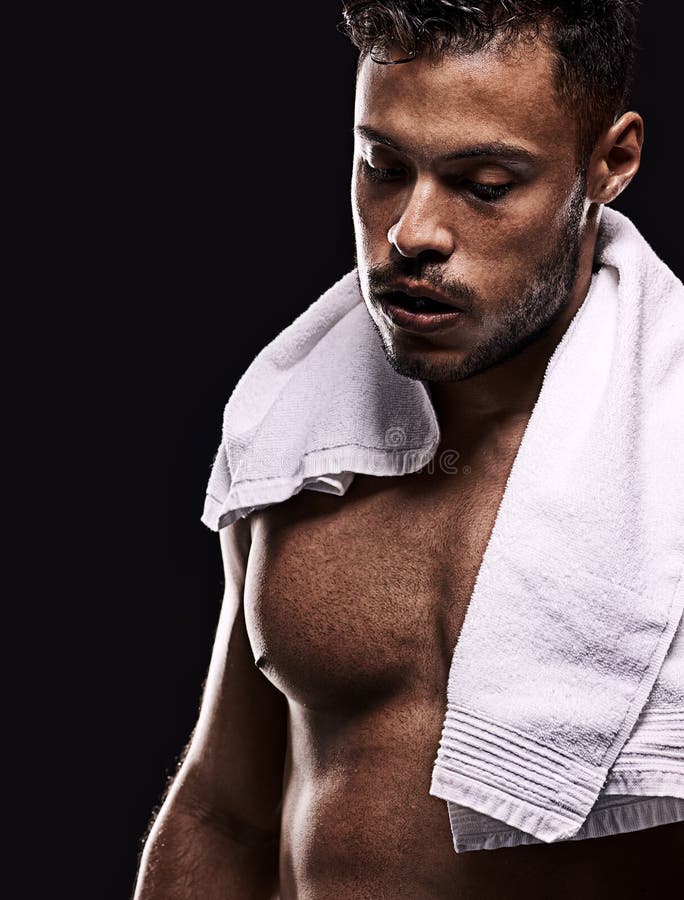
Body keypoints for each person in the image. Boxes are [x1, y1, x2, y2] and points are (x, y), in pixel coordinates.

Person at [134, 2, 683, 897]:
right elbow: (224, 811)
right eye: (383, 167)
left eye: (485, 182)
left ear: (610, 161)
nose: (411, 233)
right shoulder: (303, 434)